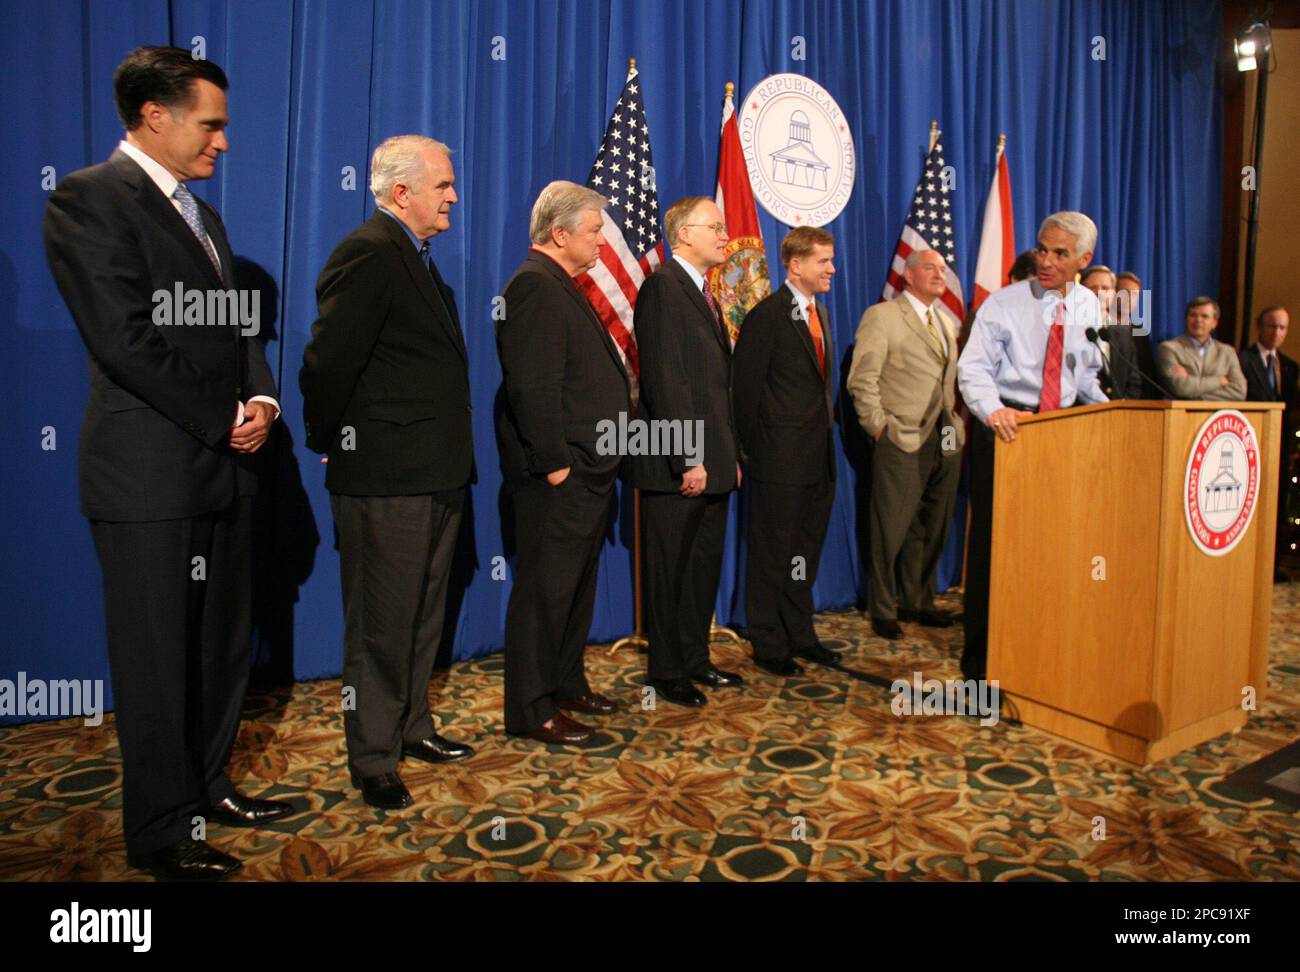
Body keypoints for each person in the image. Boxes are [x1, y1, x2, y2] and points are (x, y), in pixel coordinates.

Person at [42, 46, 293, 881]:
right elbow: (123, 340)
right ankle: (159, 831)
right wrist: (220, 415)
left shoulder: (204, 217)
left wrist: (261, 402)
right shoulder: (89, 199)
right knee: (156, 662)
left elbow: (235, 330)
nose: (223, 142)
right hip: (148, 476)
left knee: (222, 649)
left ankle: (210, 784)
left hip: (225, 468)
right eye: (211, 124)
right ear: (157, 115)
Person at [300, 135, 475, 812]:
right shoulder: (368, 252)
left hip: (435, 472)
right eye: (443, 185)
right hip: (384, 476)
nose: (453, 196)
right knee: (380, 625)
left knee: (421, 618)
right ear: (402, 192)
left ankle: (412, 727)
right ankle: (373, 757)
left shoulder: (418, 259)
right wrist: (331, 438)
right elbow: (328, 361)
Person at [496, 182, 631, 745]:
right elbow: (533, 387)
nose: (603, 241)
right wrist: (556, 465)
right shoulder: (534, 287)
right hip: (561, 475)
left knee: (573, 589)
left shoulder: (562, 285)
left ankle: (565, 683)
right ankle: (532, 709)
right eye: (595, 230)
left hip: (586, 471)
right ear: (560, 234)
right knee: (545, 593)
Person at [956, 212, 1109, 680]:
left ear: (1084, 259)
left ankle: (1034, 650)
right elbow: (973, 369)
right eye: (1043, 249)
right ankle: (981, 664)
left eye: (1060, 253)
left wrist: (1115, 412)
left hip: (1058, 434)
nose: (1046, 260)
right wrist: (993, 410)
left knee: (1046, 549)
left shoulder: (1089, 306)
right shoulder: (1003, 304)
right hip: (1006, 430)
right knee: (993, 549)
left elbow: (1083, 378)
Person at [630, 196, 743, 707]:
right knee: (671, 571)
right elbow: (665, 380)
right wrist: (688, 458)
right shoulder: (662, 288)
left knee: (701, 570)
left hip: (714, 462)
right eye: (715, 227)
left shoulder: (703, 292)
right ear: (683, 235)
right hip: (679, 465)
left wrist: (730, 458)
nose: (725, 235)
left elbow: (715, 388)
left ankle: (696, 659)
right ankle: (667, 672)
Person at [732, 227, 840, 674]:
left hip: (818, 460)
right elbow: (745, 393)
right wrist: (747, 455)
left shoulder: (822, 315)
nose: (832, 269)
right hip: (777, 462)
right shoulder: (767, 317)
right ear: (796, 265)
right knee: (773, 553)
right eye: (823, 261)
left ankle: (799, 632)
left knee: (803, 552)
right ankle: (768, 639)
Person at [848, 249, 964, 640]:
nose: (939, 274)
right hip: (900, 435)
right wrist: (879, 427)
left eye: (943, 269)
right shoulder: (882, 317)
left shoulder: (947, 321)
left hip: (945, 439)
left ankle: (918, 601)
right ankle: (883, 607)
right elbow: (862, 379)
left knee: (931, 526)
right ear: (908, 275)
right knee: (891, 528)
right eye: (930, 268)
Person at [1239, 306, 1298, 579]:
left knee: (1277, 506)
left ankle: (1272, 568)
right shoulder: (1242, 359)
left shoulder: (1289, 366)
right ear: (1259, 327)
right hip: (1251, 443)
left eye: (1282, 328)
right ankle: (1249, 566)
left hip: (1282, 448)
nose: (1276, 333)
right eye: (1272, 326)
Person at [1155, 297, 1246, 401]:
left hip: (1218, 415)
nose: (1198, 320)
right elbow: (1180, 388)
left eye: (1204, 316)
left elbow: (1239, 391)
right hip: (1181, 415)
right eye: (1193, 315)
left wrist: (1193, 394)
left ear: (1214, 323)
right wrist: (1219, 381)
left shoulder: (1227, 352)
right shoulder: (1168, 348)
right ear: (1186, 320)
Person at [1081, 264, 1143, 400]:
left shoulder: (1123, 332)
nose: (1099, 293)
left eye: (1105, 288)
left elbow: (1134, 382)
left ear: (1114, 293)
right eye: (1093, 288)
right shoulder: (1071, 328)